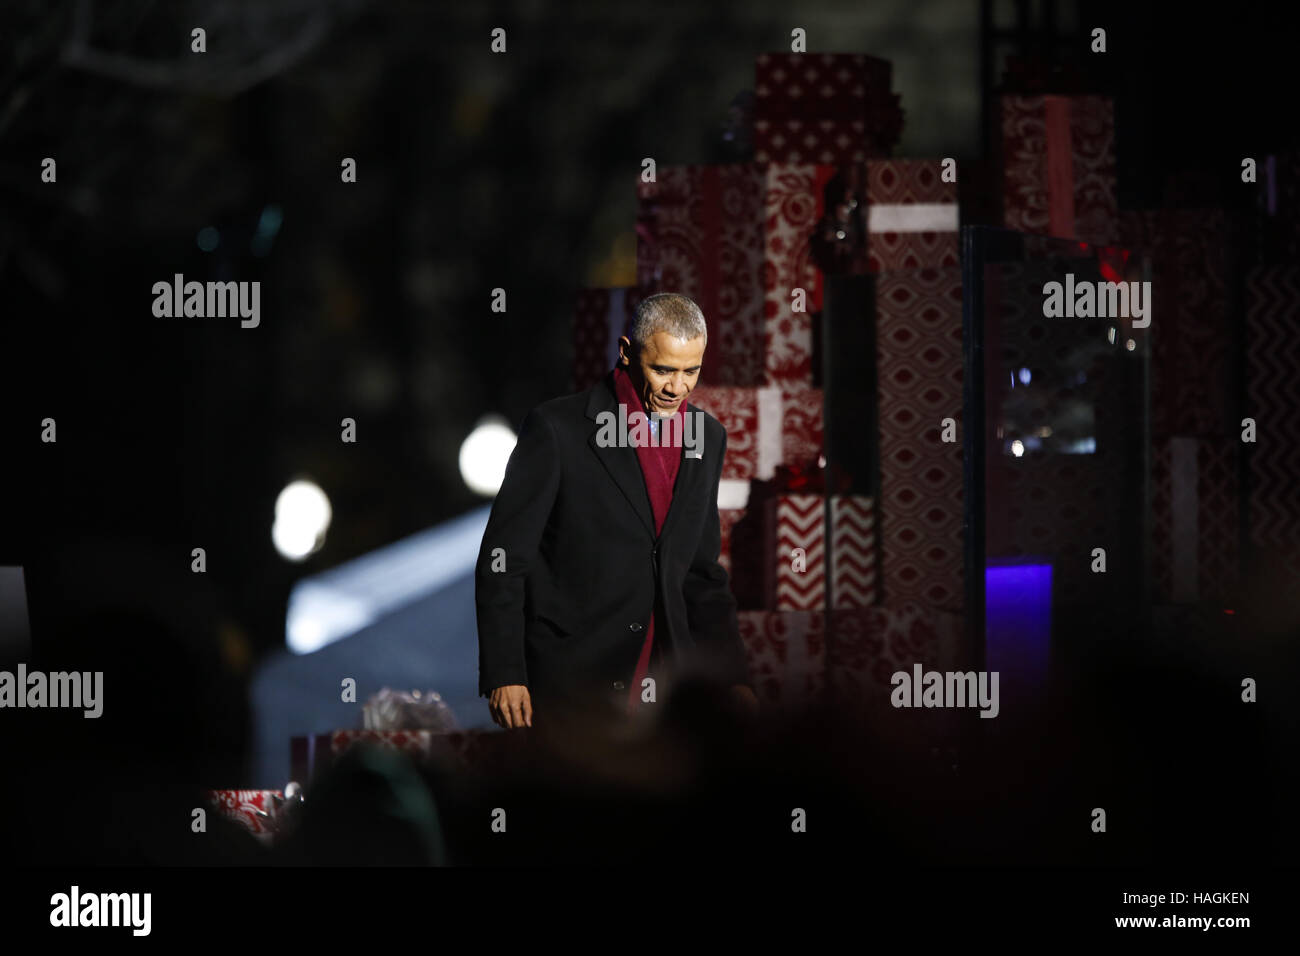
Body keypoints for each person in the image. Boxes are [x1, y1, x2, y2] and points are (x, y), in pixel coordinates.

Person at [476, 292, 759, 731]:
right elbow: (503, 559)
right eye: (663, 369)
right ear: (626, 352)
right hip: (574, 672)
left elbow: (702, 574)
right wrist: (505, 671)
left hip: (671, 681)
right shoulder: (558, 429)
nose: (676, 387)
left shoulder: (708, 437)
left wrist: (733, 677)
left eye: (691, 371)